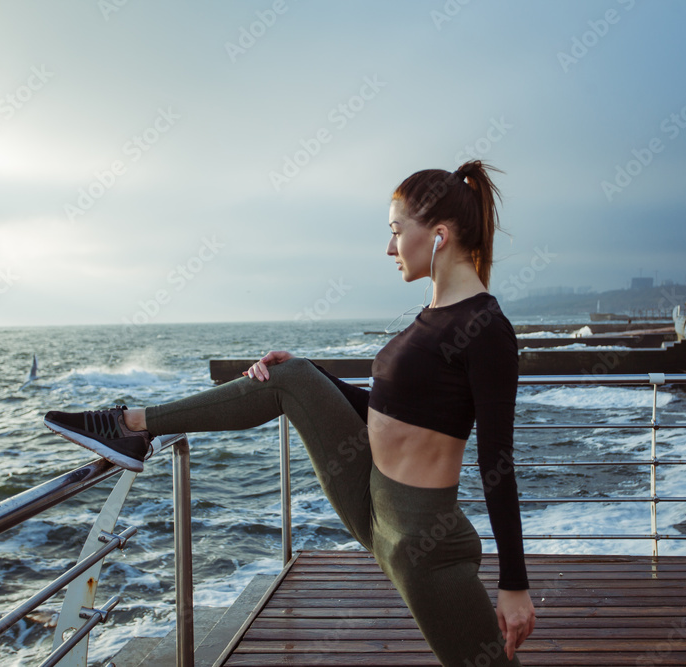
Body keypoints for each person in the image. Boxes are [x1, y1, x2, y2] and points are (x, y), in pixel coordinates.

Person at [43, 160, 536, 665]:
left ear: (438, 235)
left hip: (423, 542)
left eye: (395, 231)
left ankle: (131, 425)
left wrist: (514, 585)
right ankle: (132, 426)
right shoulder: (431, 315)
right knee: (290, 376)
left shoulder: (486, 328)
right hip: (374, 509)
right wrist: (311, 376)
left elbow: (497, 461)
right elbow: (389, 411)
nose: (389, 248)